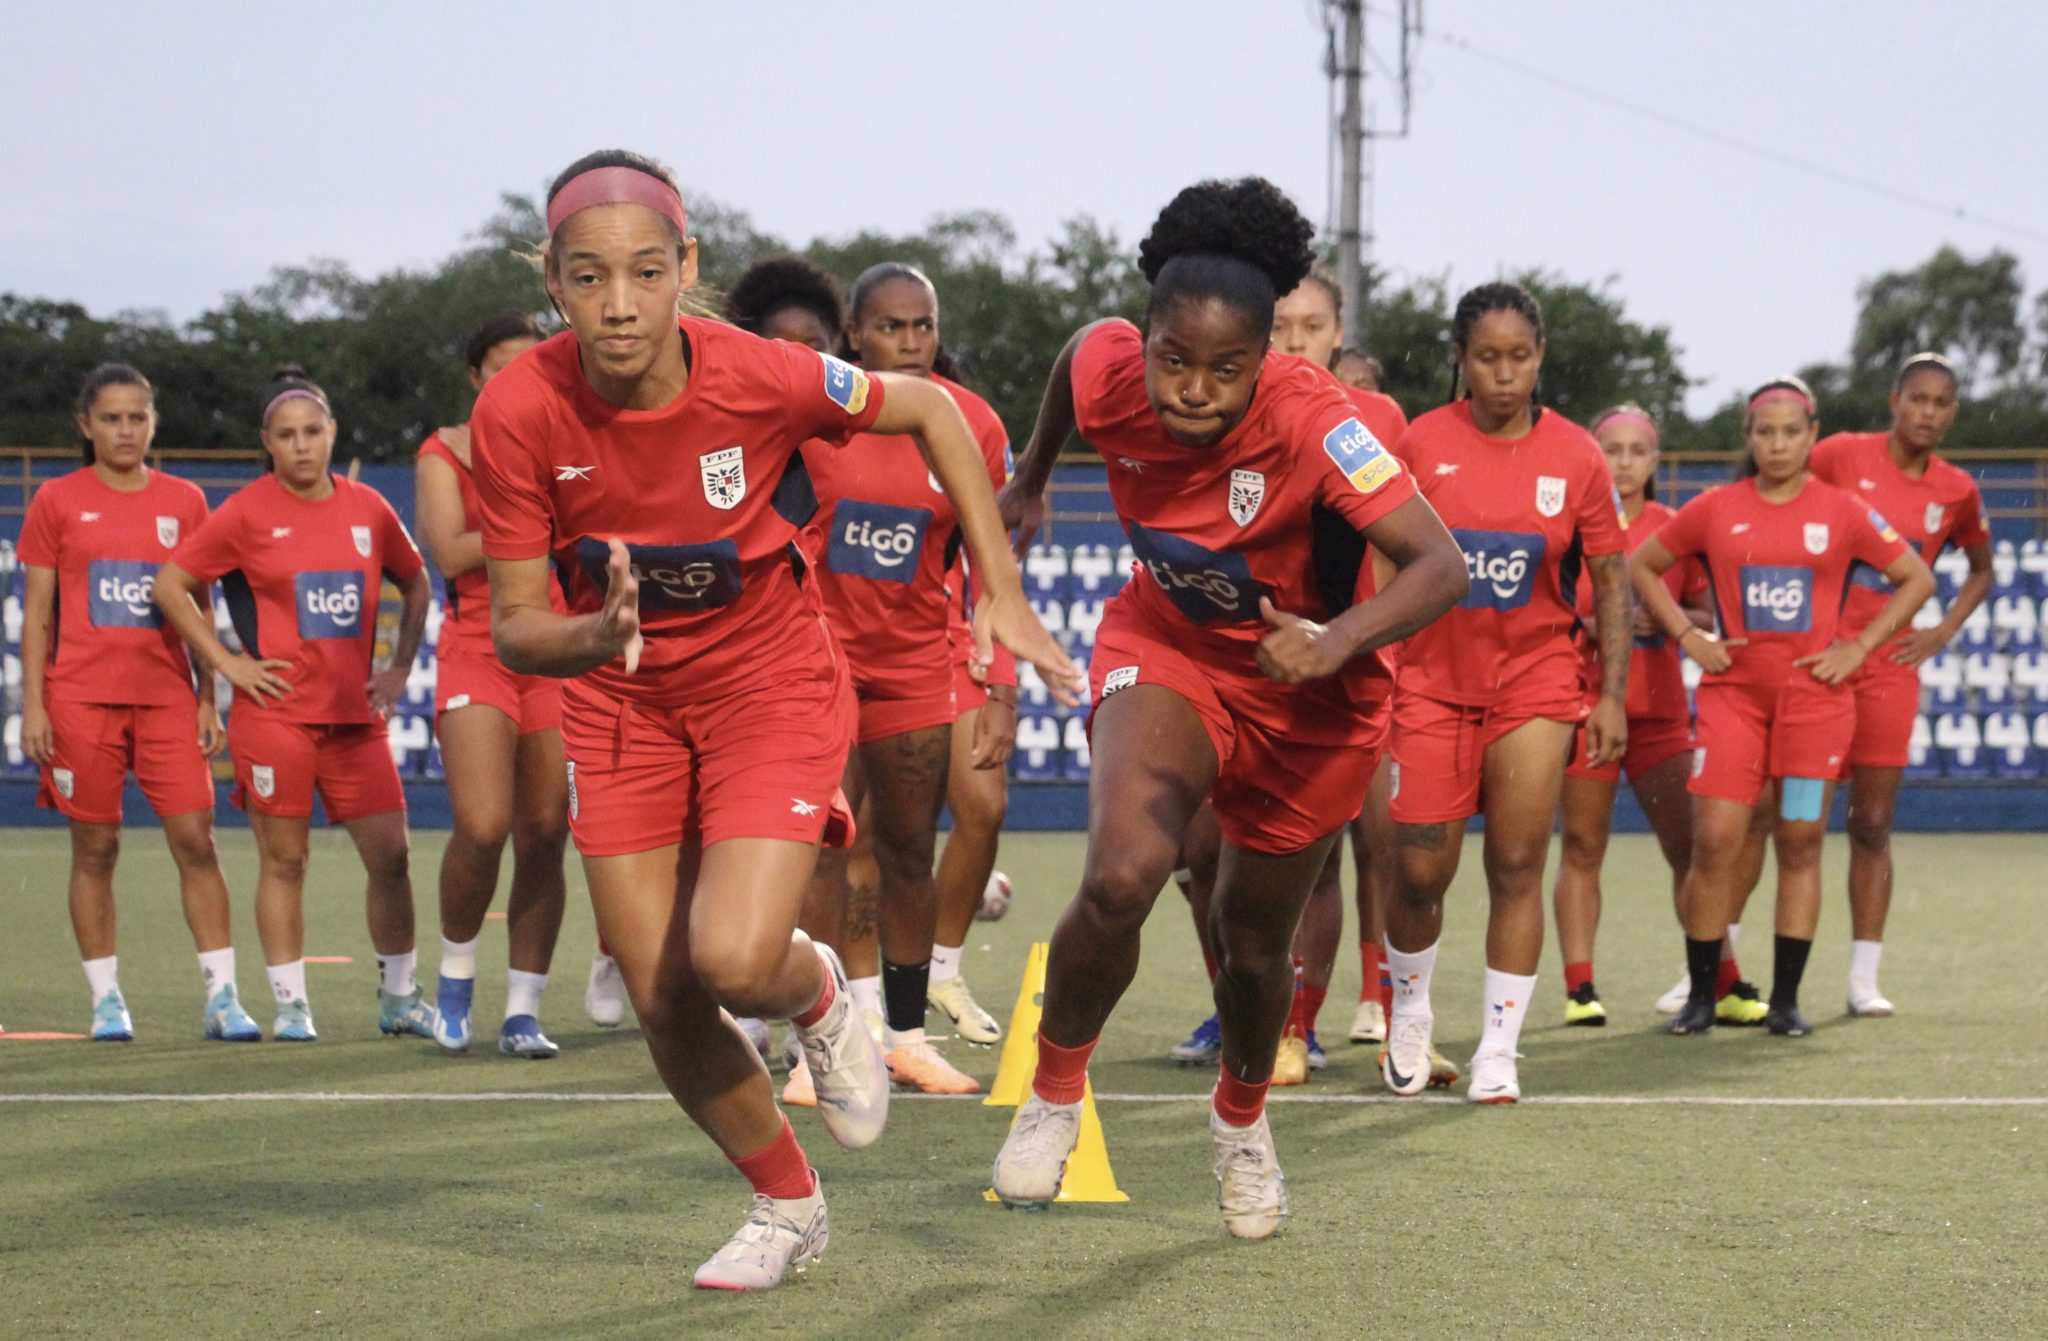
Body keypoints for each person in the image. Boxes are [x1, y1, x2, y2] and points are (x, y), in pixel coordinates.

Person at [468, 150, 1076, 1290]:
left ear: (685, 268)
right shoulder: (516, 409)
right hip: (617, 701)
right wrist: (591, 638)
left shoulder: (761, 373)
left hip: (766, 682)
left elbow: (931, 408)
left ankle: (816, 995)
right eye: (588, 277)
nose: (618, 304)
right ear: (551, 278)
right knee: (659, 993)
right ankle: (787, 1207)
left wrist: (996, 583)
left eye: (645, 273)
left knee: (737, 958)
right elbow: (512, 627)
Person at [988, 177, 1467, 1237]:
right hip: (1168, 648)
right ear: (1147, 338)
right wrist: (1030, 472)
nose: (1193, 390)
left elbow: (1438, 565)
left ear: (1268, 362)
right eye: (1172, 359)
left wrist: (1333, 639)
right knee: (1120, 875)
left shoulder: (1318, 423)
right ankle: (1054, 1093)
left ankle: (1242, 1120)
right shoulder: (1115, 370)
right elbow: (1078, 353)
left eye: (1225, 369)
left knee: (1252, 945)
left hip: (1313, 700)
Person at [1379, 281, 1632, 1105]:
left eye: (1519, 356)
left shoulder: (1578, 457)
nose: (1504, 374)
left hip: (1537, 684)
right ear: (1460, 359)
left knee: (1519, 860)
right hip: (1427, 684)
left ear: (1541, 358)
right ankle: (1410, 1010)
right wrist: (1377, 666)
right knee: (1419, 871)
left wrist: (1612, 695)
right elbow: (1384, 557)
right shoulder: (1419, 443)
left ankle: (1498, 1048)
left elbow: (1610, 580)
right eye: (1486, 357)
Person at [1631, 376, 1933, 1037]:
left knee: (1800, 841)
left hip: (1815, 706)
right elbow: (1643, 566)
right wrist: (1688, 634)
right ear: (1748, 437)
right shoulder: (1715, 507)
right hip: (1734, 701)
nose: (1777, 444)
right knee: (1715, 840)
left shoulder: (1844, 511)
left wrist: (1858, 647)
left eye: (1791, 432)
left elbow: (1917, 576)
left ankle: (1788, 1000)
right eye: (1765, 432)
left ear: (1812, 435)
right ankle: (1702, 997)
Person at [1170, 270, 1413, 1085]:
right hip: (1234, 661)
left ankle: (1299, 1024)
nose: (1298, 340)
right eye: (1283, 327)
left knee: (1325, 859)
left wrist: (1356, 640)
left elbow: (1401, 551)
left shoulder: (1366, 420)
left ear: (1339, 333)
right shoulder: (1225, 413)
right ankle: (1238, 1001)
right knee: (1201, 849)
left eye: (1314, 326)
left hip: (1332, 664)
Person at [788, 262, 1015, 1094]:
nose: (912, 342)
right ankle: (826, 1043)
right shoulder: (816, 415)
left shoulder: (974, 426)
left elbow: (992, 567)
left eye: (924, 325)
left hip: (919, 665)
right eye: (891, 326)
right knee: (823, 851)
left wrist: (1001, 684)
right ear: (855, 334)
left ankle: (907, 1033)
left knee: (907, 851)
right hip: (822, 663)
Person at [156, 367, 434, 1043]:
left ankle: (398, 997)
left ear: (332, 432)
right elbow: (171, 584)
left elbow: (418, 580)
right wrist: (226, 663)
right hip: (276, 718)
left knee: (392, 856)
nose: (303, 444)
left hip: (355, 723)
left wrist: (398, 668)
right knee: (286, 860)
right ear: (267, 442)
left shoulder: (369, 508)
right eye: (287, 435)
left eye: (313, 431)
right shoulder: (247, 512)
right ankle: (291, 1005)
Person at [18, 364, 258, 1043]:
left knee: (196, 840)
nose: (126, 430)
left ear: (153, 423)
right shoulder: (57, 501)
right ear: (85, 425)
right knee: (95, 847)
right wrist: (34, 706)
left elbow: (201, 604)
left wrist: (208, 696)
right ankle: (106, 999)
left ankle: (222, 996)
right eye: (112, 418)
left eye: (137, 418)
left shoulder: (184, 500)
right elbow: (38, 615)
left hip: (167, 702)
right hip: (80, 702)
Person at [1547, 405, 1760, 1025]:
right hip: (1586, 708)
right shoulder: (1569, 523)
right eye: (1611, 448)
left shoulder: (1674, 526)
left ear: (1655, 460)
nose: (1624, 461)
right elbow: (1537, 609)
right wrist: (1590, 623)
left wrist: (1667, 620)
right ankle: (1581, 990)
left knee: (1692, 851)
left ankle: (1722, 980)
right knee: (1583, 846)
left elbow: (1705, 614)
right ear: (1593, 453)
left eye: (1637, 450)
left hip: (1661, 715)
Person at [1809, 353, 1990, 1017]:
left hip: (1889, 668)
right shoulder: (1838, 455)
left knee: (1873, 822)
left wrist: (1940, 632)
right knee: (1789, 819)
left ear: (1953, 413)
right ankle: (1723, 966)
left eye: (1942, 403)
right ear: (1894, 399)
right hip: (1821, 663)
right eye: (1918, 398)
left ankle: (1863, 977)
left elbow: (1979, 569)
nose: (1927, 412)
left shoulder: (1957, 491)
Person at [418, 312, 573, 1058]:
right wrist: (534, 527)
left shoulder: (570, 444)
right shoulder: (444, 451)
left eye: (532, 366)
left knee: (546, 832)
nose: (518, 380)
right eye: (502, 367)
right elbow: (448, 553)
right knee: (482, 824)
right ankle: (452, 979)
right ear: (477, 377)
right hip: (478, 648)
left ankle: (523, 1008)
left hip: (554, 646)